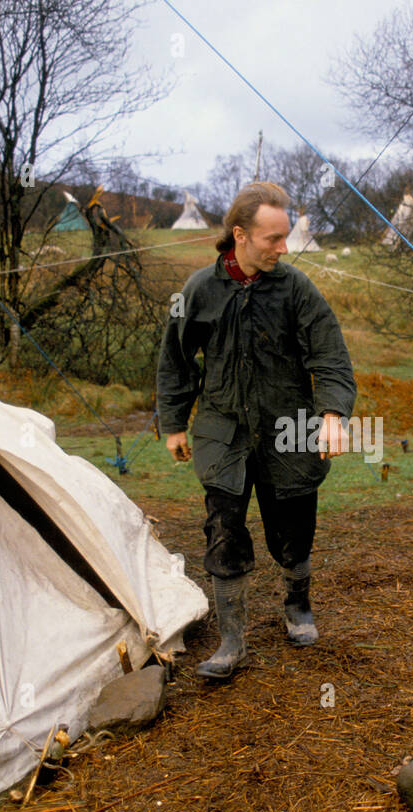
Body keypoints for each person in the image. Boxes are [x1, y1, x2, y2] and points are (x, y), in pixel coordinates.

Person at [157, 182, 356, 682]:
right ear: (240, 235)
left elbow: (330, 356)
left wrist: (332, 414)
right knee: (223, 527)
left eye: (285, 237)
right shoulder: (198, 290)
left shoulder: (296, 290)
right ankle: (231, 640)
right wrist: (175, 423)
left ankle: (297, 603)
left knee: (293, 527)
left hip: (289, 426)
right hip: (223, 430)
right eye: (273, 239)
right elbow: (174, 361)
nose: (283, 248)